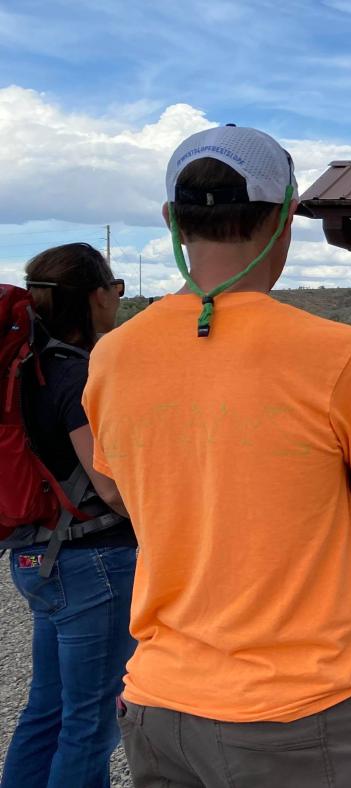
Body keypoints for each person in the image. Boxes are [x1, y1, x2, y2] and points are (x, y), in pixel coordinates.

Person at [81, 125, 351, 787]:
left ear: (172, 222)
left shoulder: (114, 356)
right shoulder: (337, 353)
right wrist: (305, 507)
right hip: (295, 712)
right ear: (286, 217)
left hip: (158, 706)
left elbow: (121, 489)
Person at [1, 244, 134, 788]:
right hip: (92, 563)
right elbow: (109, 487)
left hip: (39, 557)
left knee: (47, 711)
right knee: (91, 725)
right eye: (116, 289)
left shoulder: (23, 367)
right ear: (96, 296)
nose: (118, 300)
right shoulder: (76, 376)